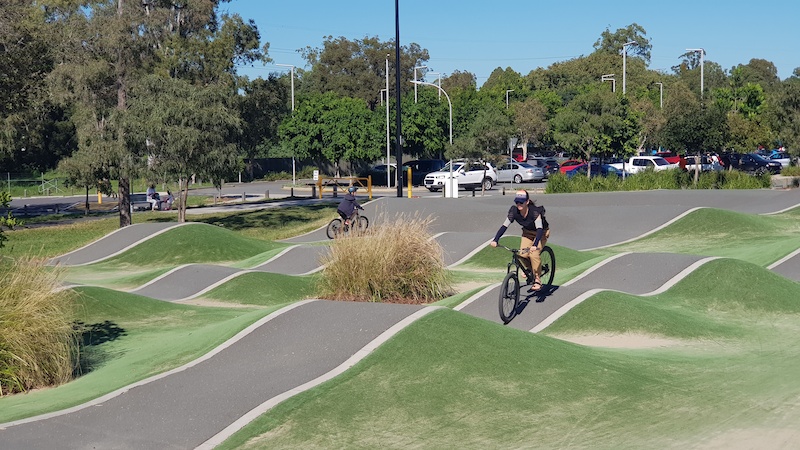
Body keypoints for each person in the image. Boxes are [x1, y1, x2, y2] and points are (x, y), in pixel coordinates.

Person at [490, 190, 550, 292]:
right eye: (517, 202)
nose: (519, 204)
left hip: (541, 233)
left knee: (533, 254)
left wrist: (535, 245)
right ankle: (530, 268)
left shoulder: (534, 212)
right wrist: (495, 239)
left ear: (527, 202)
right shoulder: (514, 211)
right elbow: (504, 226)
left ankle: (537, 279)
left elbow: (539, 229)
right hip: (527, 233)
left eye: (521, 202)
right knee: (522, 254)